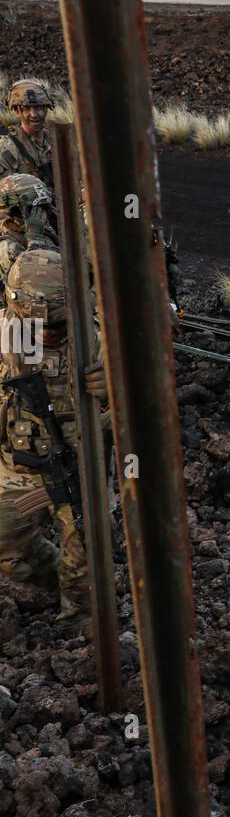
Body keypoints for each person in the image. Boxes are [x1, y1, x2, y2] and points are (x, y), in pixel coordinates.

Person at [0, 243, 106, 626]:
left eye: (55, 327)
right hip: (18, 467)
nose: (45, 334)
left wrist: (115, 388)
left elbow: (150, 408)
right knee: (10, 553)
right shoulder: (5, 334)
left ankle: (79, 617)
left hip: (79, 467)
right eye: (36, 326)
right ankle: (54, 583)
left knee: (84, 561)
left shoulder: (98, 340)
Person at [0, 81, 55, 189]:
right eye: (26, 108)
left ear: (46, 109)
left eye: (38, 107)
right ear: (17, 111)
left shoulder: (56, 141)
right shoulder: (6, 149)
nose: (34, 114)